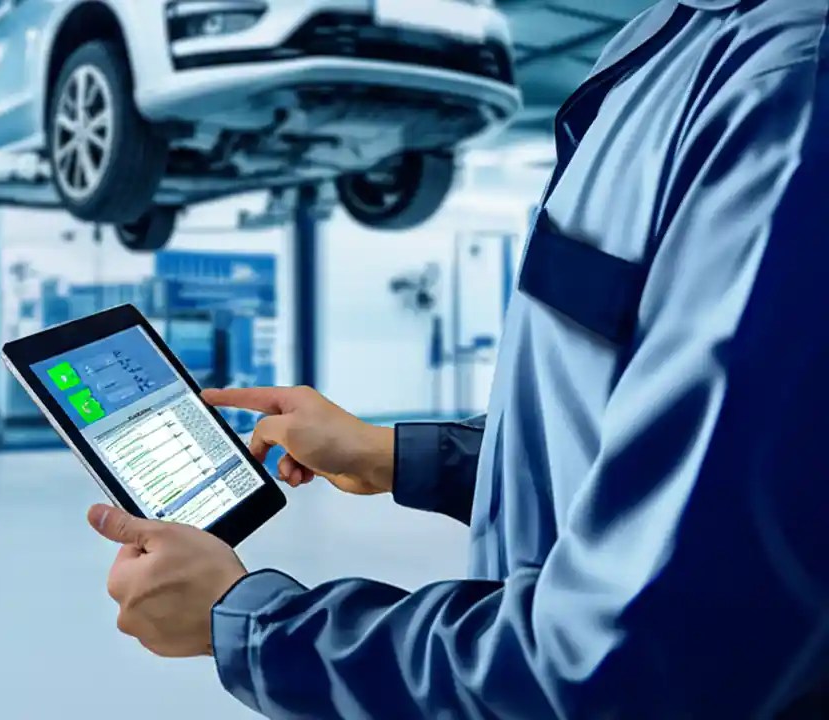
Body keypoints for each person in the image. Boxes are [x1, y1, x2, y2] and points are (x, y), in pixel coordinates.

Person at [85, 0, 829, 717]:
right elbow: (647, 447)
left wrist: (253, 624)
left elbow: (639, 662)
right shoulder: (667, 43)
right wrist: (397, 455)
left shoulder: (786, 88)